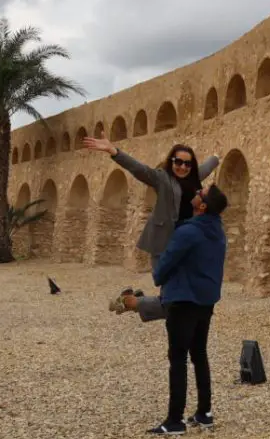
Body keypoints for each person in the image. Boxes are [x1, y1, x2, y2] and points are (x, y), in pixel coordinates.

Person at [81, 136, 219, 321]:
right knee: (171, 301)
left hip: (185, 245)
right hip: (163, 244)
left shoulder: (194, 179)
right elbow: (139, 169)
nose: (183, 167)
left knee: (180, 299)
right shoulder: (162, 178)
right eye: (178, 162)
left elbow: (208, 166)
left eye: (188, 163)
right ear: (171, 161)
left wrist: (218, 156)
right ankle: (131, 301)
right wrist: (114, 151)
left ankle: (136, 301)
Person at [147, 184, 228, 435]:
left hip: (183, 299)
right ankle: (204, 412)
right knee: (199, 354)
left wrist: (158, 276)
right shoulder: (218, 232)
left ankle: (174, 420)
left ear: (202, 206)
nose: (196, 193)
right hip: (205, 301)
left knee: (178, 358)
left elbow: (167, 261)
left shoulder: (189, 232)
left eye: (200, 194)